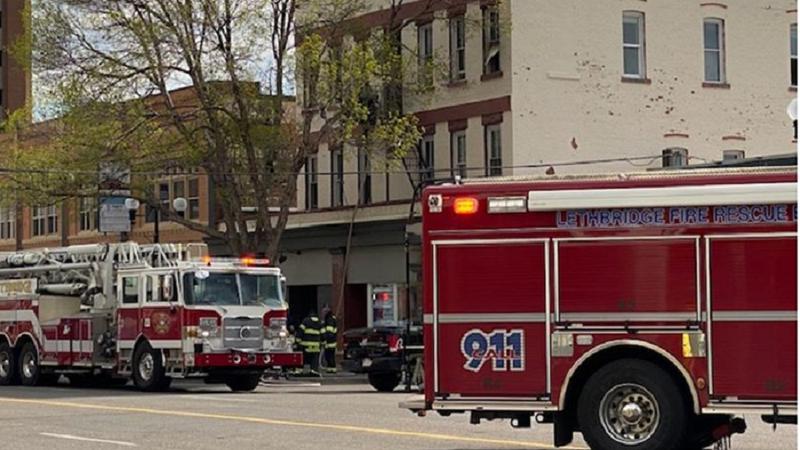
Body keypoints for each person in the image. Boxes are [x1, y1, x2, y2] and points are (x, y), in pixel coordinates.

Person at [297, 309, 322, 375]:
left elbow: (300, 331)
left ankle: (300, 370)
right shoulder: (320, 322)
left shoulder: (306, 321)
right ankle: (314, 370)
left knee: (304, 357)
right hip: (316, 345)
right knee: (314, 357)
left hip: (306, 344)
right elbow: (323, 333)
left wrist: (297, 340)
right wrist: (323, 342)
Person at [322, 306, 338, 373]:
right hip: (333, 341)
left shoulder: (329, 319)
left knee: (329, 356)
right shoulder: (332, 318)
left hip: (330, 342)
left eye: (323, 312)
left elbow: (329, 331)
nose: (322, 313)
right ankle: (331, 368)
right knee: (330, 356)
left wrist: (325, 340)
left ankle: (331, 369)